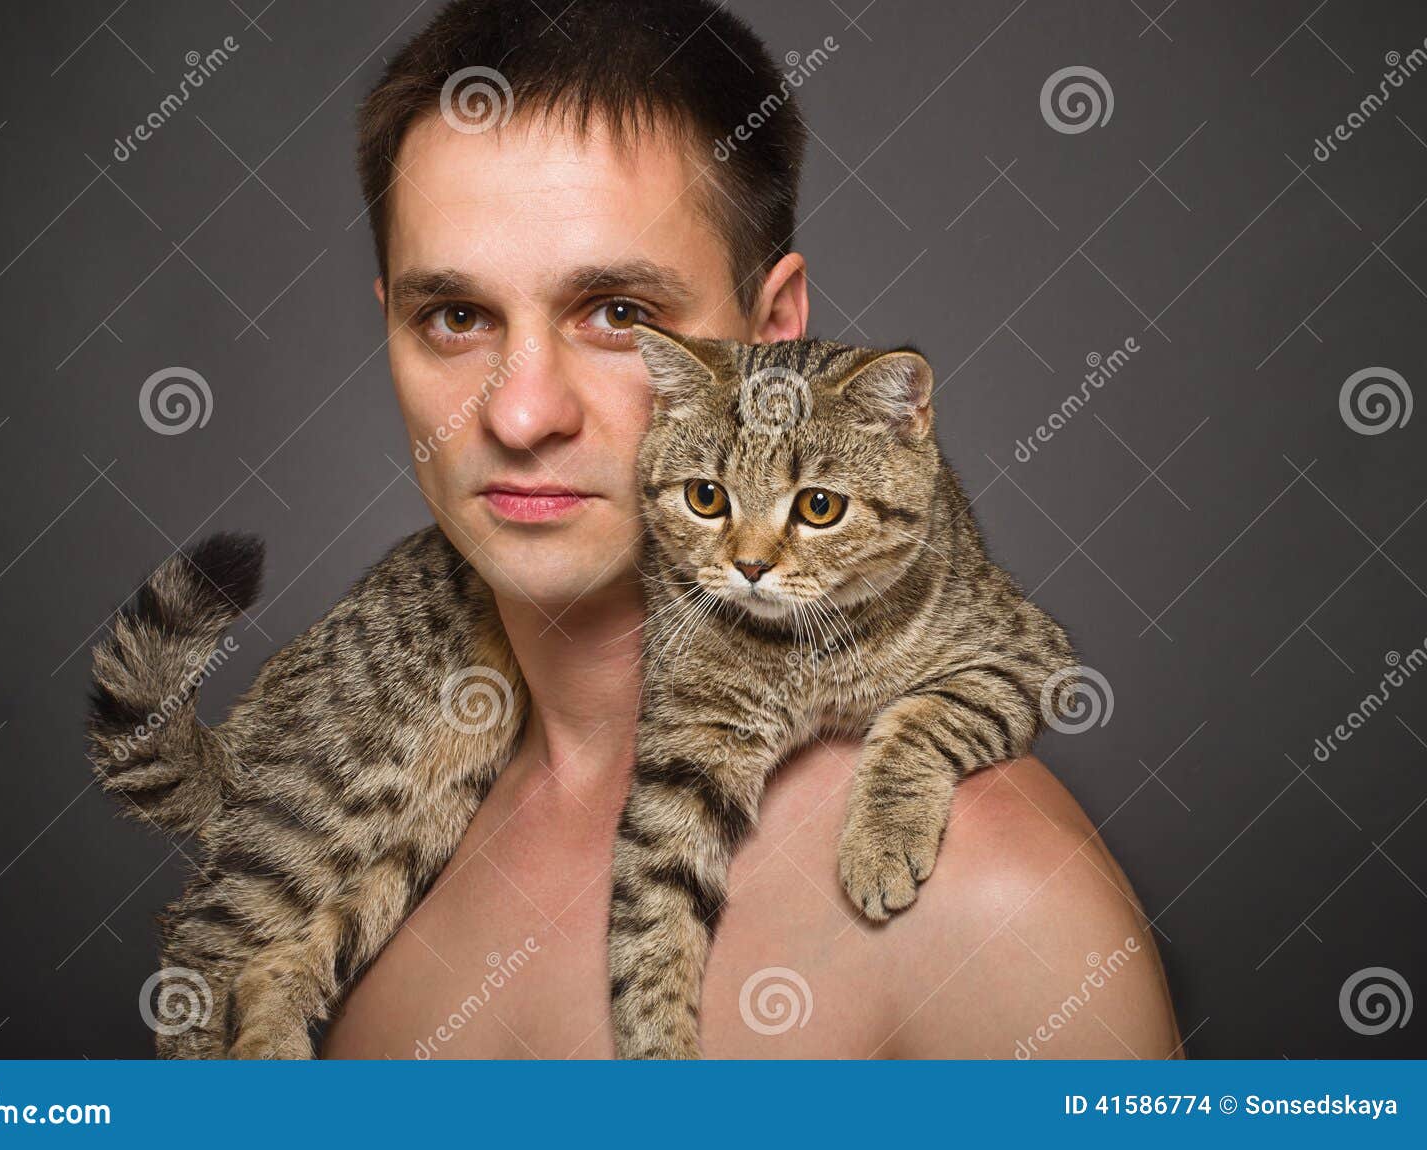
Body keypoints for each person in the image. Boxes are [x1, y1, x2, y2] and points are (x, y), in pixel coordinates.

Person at [321, 0, 1181, 1058]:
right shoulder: (333, 855)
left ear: (773, 329)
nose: (518, 411)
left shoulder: (998, 907)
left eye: (618, 315)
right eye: (454, 317)